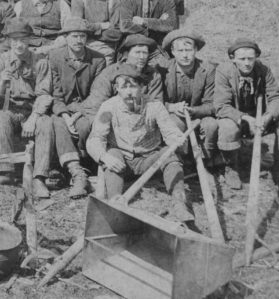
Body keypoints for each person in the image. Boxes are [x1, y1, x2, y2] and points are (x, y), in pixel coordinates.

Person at [87, 64, 194, 223]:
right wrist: (104, 157)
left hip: (150, 161)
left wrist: (177, 140)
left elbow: (170, 131)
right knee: (111, 154)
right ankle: (116, 203)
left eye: (133, 86)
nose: (129, 91)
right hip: (122, 161)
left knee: (170, 155)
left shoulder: (155, 106)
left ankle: (179, 203)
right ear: (117, 88)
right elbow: (96, 138)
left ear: (142, 87)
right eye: (124, 87)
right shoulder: (108, 107)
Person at [214, 39, 279, 192]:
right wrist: (244, 118)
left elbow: (277, 98)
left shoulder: (263, 70)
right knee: (226, 127)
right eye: (242, 59)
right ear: (233, 58)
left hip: (261, 120)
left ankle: (278, 169)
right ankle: (231, 167)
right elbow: (221, 106)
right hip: (238, 120)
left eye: (251, 58)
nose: (247, 63)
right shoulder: (223, 72)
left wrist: (268, 116)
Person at [39, 18, 107, 196]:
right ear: (66, 38)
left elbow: (97, 94)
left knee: (84, 126)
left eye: (82, 36)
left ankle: (79, 169)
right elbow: (56, 93)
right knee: (57, 122)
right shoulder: (55, 57)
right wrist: (65, 115)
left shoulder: (98, 60)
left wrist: (76, 115)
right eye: (74, 36)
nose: (78, 40)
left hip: (88, 109)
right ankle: (78, 174)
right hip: (62, 108)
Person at [0, 19, 53, 187]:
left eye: (23, 39)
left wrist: (33, 118)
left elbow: (44, 95)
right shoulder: (0, 60)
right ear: (8, 41)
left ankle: (39, 177)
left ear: (30, 40)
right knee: (0, 118)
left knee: (45, 123)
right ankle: (5, 171)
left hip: (33, 109)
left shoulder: (40, 61)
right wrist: (2, 82)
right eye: (14, 40)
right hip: (10, 108)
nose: (19, 44)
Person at [157, 30, 219, 166]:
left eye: (188, 50)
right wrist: (171, 107)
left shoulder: (208, 70)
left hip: (199, 114)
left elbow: (211, 104)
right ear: (172, 51)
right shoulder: (162, 69)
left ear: (196, 50)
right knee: (174, 125)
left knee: (211, 125)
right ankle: (180, 163)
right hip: (173, 114)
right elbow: (155, 100)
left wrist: (192, 111)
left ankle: (205, 162)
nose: (185, 55)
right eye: (180, 50)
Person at [70, 0, 120, 64]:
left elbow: (116, 33)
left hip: (105, 47)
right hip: (83, 45)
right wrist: (102, 26)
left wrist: (91, 29)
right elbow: (78, 27)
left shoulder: (113, 2)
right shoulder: (79, 0)